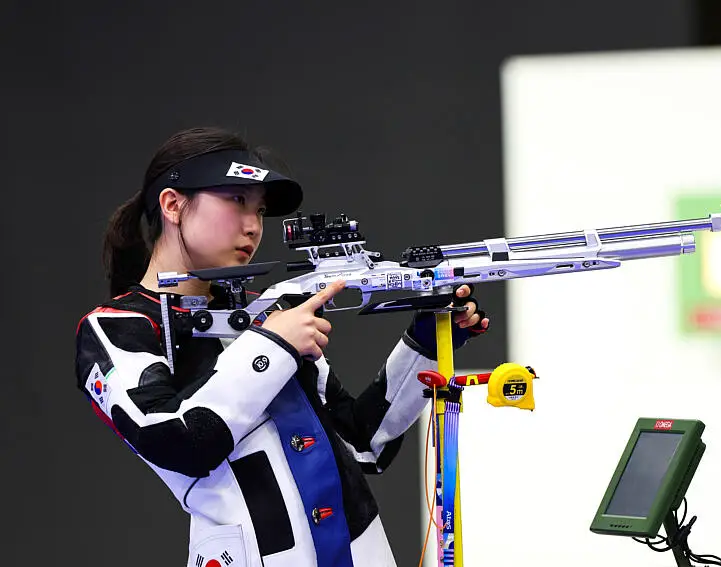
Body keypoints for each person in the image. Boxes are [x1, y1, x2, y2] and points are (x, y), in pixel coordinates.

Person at [74, 127, 489, 567]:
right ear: (173, 204)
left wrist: (424, 341)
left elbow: (362, 443)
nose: (253, 226)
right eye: (236, 201)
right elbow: (178, 442)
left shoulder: (264, 314)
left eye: (260, 210)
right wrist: (274, 343)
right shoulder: (116, 327)